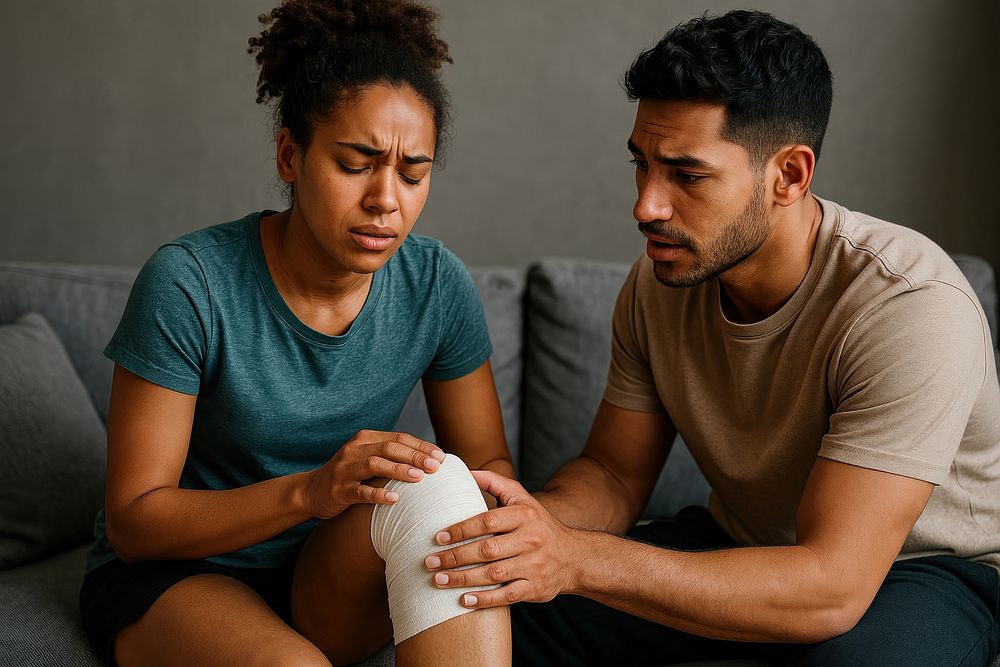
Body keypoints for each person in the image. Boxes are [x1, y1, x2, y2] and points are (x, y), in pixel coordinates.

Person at [422, 10, 1000, 666]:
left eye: (686, 175)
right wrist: (532, 529)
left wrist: (577, 559)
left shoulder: (908, 306)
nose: (646, 205)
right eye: (641, 164)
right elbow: (614, 473)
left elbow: (832, 587)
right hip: (741, 542)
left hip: (922, 568)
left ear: (789, 175)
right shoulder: (658, 285)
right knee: (489, 606)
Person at [78, 1, 514, 665]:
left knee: (441, 481)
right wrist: (312, 490)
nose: (386, 199)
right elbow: (136, 520)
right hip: (181, 571)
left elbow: (490, 467)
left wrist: (470, 504)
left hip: (325, 573)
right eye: (355, 163)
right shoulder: (189, 283)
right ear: (290, 153)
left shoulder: (435, 284)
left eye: (413, 172)